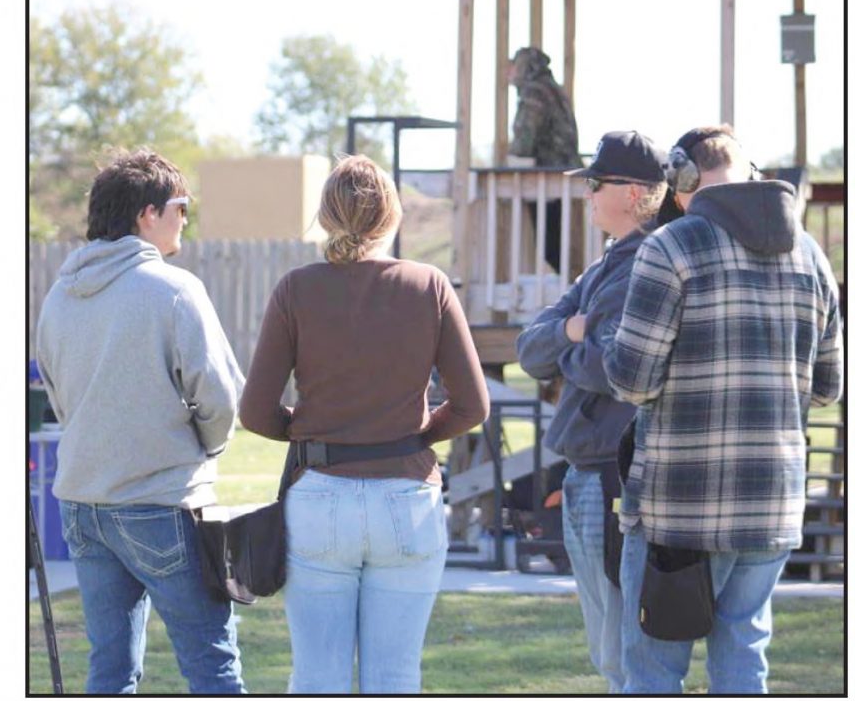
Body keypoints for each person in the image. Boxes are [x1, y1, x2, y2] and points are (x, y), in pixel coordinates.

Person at [239, 155, 489, 694]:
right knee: (395, 678)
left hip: (320, 496)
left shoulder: (296, 289)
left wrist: (314, 438)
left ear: (327, 217)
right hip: (407, 496)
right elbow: (472, 406)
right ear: (392, 216)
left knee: (317, 677)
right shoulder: (430, 285)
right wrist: (413, 436)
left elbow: (256, 413)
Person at [604, 130, 841, 694]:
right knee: (742, 663)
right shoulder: (812, 254)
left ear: (683, 178)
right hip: (774, 505)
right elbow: (828, 388)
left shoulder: (670, 248)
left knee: (655, 671)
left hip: (677, 511)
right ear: (751, 170)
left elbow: (630, 380)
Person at [35, 150, 245, 693]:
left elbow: (58, 398)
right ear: (147, 214)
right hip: (162, 501)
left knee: (110, 669)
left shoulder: (58, 296)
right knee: (211, 663)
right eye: (180, 205)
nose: (185, 217)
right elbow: (221, 397)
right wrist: (206, 448)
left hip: (82, 505)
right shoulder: (174, 289)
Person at [517, 131, 669, 691]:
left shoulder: (646, 263)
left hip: (616, 473)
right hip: (587, 472)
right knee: (609, 649)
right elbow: (529, 348)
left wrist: (570, 345)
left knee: (625, 652)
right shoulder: (603, 264)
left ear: (633, 193)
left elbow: (608, 368)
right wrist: (570, 332)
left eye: (596, 184)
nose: (587, 195)